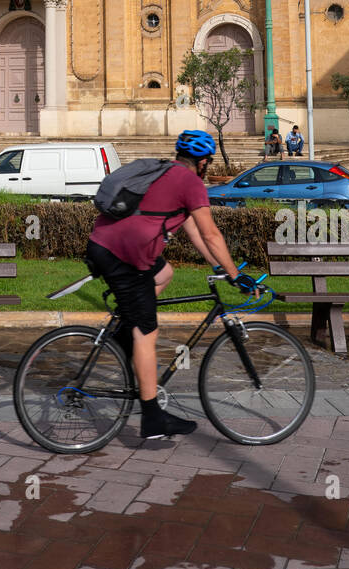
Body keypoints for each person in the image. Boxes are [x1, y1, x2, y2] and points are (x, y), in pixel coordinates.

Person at [85, 130, 260, 442]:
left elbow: (195, 233)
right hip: (123, 255)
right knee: (147, 332)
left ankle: (126, 330)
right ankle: (153, 417)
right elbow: (211, 234)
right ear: (204, 162)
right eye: (208, 161)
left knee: (165, 273)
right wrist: (236, 275)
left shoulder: (167, 172)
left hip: (106, 244)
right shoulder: (190, 182)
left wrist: (220, 266)